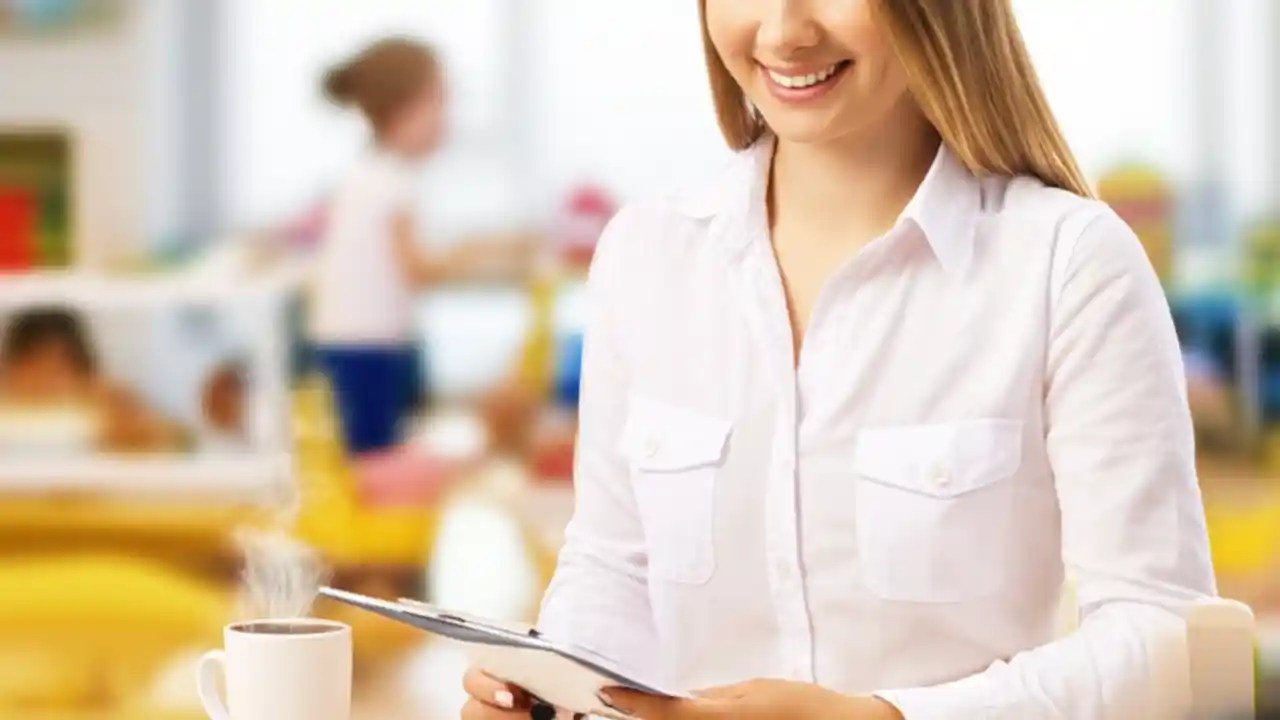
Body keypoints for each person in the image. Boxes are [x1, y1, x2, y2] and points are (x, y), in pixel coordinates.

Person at [462, 1, 1216, 719]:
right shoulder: (645, 256)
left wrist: (885, 718)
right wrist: (548, 686)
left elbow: (1160, 638)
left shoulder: (1068, 265)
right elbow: (612, 571)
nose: (786, 32)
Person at [311, 37, 530, 460]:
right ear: (403, 110)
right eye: (440, 103)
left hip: (359, 340)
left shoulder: (371, 172)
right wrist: (475, 253)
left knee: (369, 454)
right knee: (372, 462)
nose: (447, 119)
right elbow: (418, 270)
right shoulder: (390, 180)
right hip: (366, 345)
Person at [0, 307, 185, 452]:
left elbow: (175, 441)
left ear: (82, 370)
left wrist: (130, 416)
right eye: (33, 364)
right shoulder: (5, 404)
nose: (43, 378)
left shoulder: (106, 406)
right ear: (10, 365)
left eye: (56, 368)